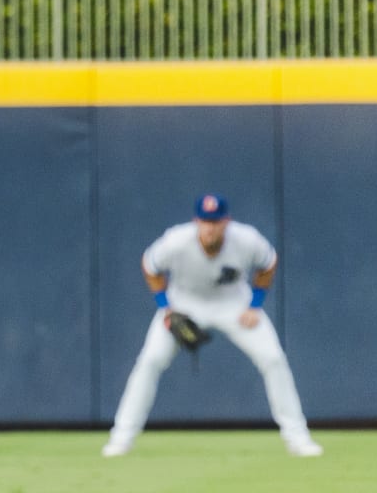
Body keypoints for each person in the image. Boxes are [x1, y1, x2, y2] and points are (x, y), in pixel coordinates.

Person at [102, 193, 323, 458]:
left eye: (216, 221)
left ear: (226, 221)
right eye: (206, 221)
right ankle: (121, 438)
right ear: (197, 221)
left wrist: (255, 304)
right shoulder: (176, 241)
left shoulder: (246, 239)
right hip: (183, 303)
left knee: (273, 358)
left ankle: (298, 438)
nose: (211, 227)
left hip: (234, 303)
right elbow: (150, 266)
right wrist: (165, 307)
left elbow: (269, 263)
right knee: (150, 361)